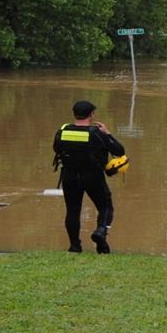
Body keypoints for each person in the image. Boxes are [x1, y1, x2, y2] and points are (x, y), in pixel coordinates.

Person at [52, 100, 127, 254]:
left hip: (69, 176)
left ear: (74, 114)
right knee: (105, 207)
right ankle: (100, 232)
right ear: (92, 114)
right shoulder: (97, 134)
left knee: (72, 210)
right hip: (93, 176)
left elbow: (56, 148)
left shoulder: (62, 131)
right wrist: (108, 133)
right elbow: (119, 151)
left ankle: (74, 246)